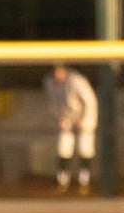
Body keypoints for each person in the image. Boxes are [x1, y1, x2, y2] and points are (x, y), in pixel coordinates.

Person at [42, 64, 98, 195]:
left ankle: (84, 182)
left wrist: (86, 121)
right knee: (63, 148)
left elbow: (90, 102)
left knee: (85, 149)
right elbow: (51, 104)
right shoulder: (49, 82)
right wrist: (59, 119)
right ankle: (62, 181)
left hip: (85, 117)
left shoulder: (76, 80)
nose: (58, 75)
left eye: (60, 71)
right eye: (56, 72)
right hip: (66, 118)